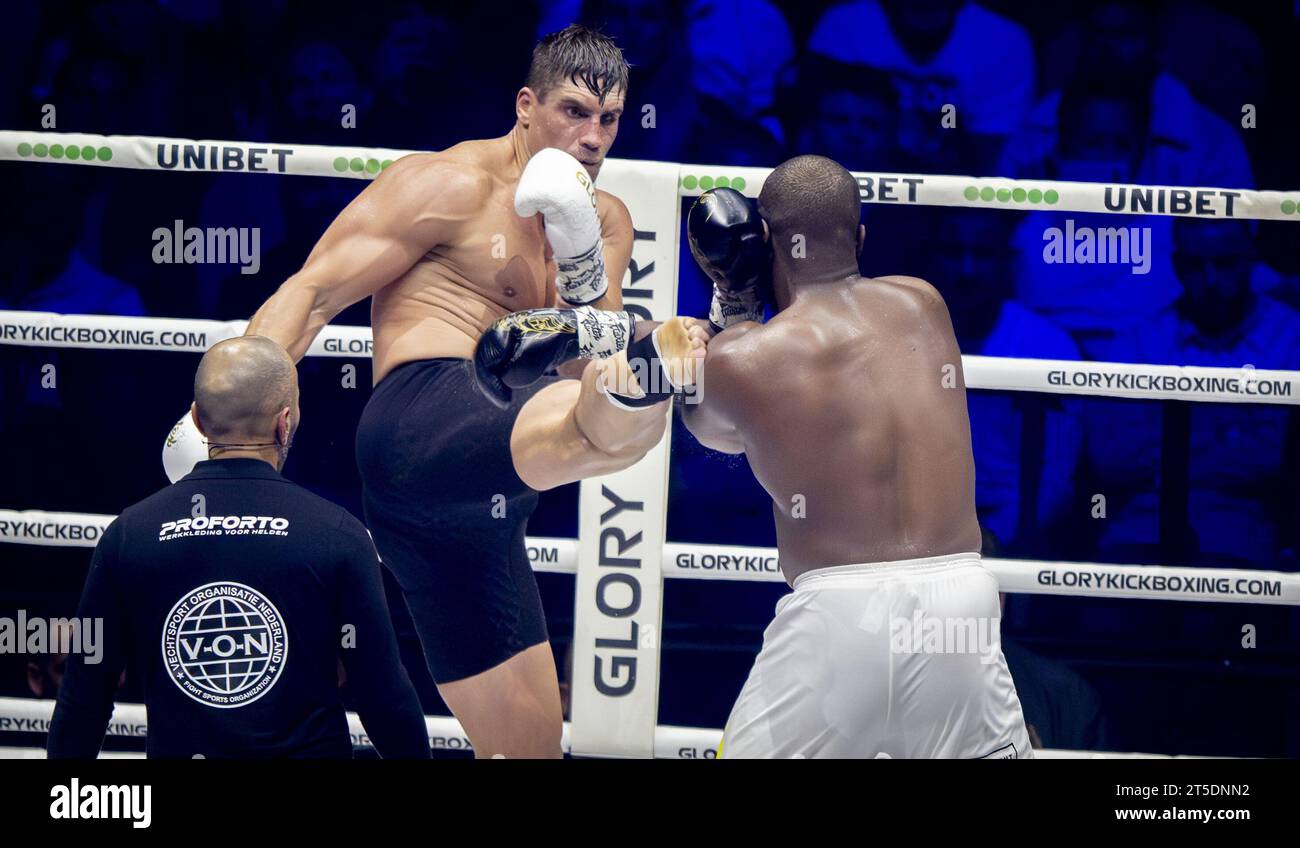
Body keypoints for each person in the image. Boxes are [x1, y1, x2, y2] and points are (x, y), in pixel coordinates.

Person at [167, 25, 706, 758]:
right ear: (526, 105)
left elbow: (586, 364)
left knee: (526, 749)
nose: (592, 137)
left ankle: (658, 372)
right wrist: (233, 440)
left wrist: (582, 263)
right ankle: (663, 367)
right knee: (614, 421)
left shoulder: (606, 219)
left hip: (486, 502)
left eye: (608, 120)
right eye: (574, 112)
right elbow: (313, 293)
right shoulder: (448, 185)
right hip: (419, 424)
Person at [683, 157, 1031, 758]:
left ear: (765, 241)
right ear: (861, 237)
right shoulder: (924, 303)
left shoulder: (745, 358)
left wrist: (733, 302)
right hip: (961, 603)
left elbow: (713, 433)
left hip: (838, 619)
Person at [50, 337, 430, 758]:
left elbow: (83, 697)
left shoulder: (130, 534)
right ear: (285, 422)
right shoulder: (336, 533)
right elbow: (382, 693)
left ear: (197, 419)